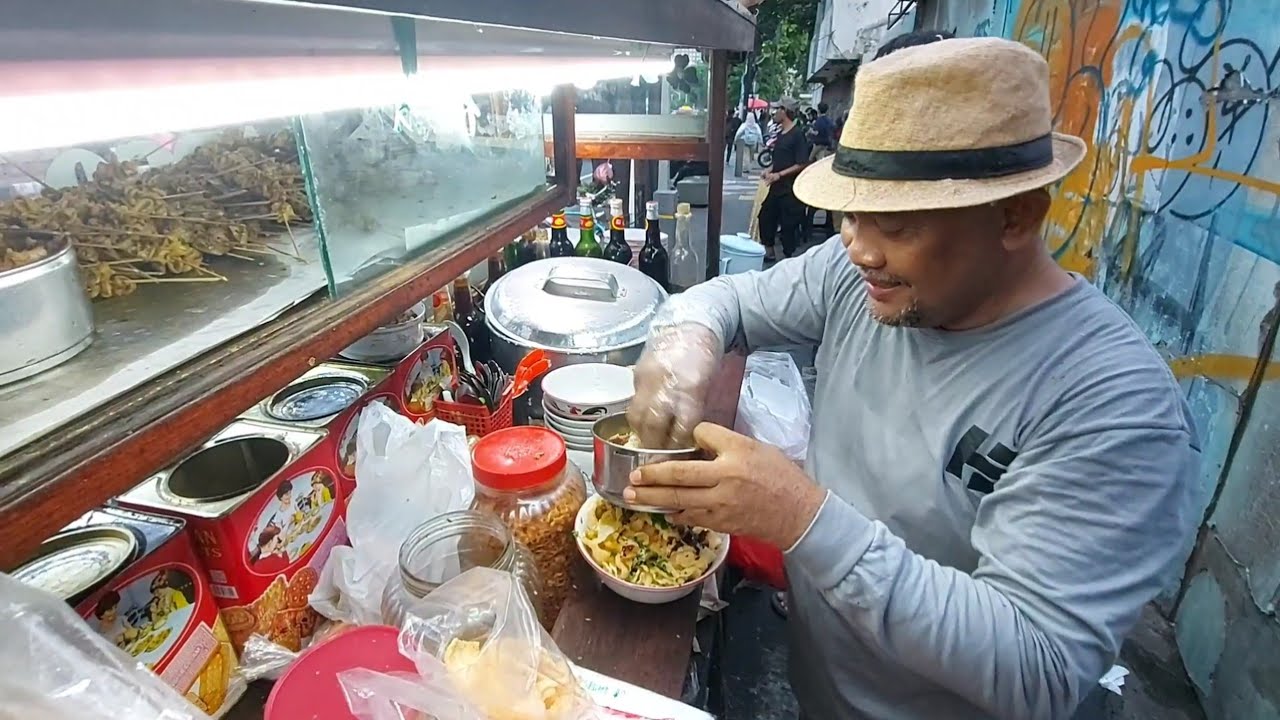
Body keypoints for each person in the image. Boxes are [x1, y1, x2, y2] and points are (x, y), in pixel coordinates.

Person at [623, 36, 1199, 720]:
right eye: (850, 213)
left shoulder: (1112, 405)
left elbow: (1037, 666)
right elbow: (733, 302)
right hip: (823, 692)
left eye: (896, 225)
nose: (859, 248)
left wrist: (799, 517)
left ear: (1016, 216)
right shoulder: (857, 274)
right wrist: (686, 338)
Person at [756, 97, 809, 261]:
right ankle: (769, 252)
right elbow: (780, 160)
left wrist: (779, 174)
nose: (774, 113)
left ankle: (789, 258)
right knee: (765, 217)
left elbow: (801, 163)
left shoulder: (797, 135)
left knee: (788, 226)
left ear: (784, 111)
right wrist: (769, 170)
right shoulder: (780, 133)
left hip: (790, 190)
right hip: (776, 187)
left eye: (777, 109)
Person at [806, 102, 838, 236]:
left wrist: (810, 131)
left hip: (819, 145)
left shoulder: (818, 121)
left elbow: (816, 133)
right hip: (828, 147)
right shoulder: (829, 121)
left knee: (809, 161)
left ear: (818, 110)